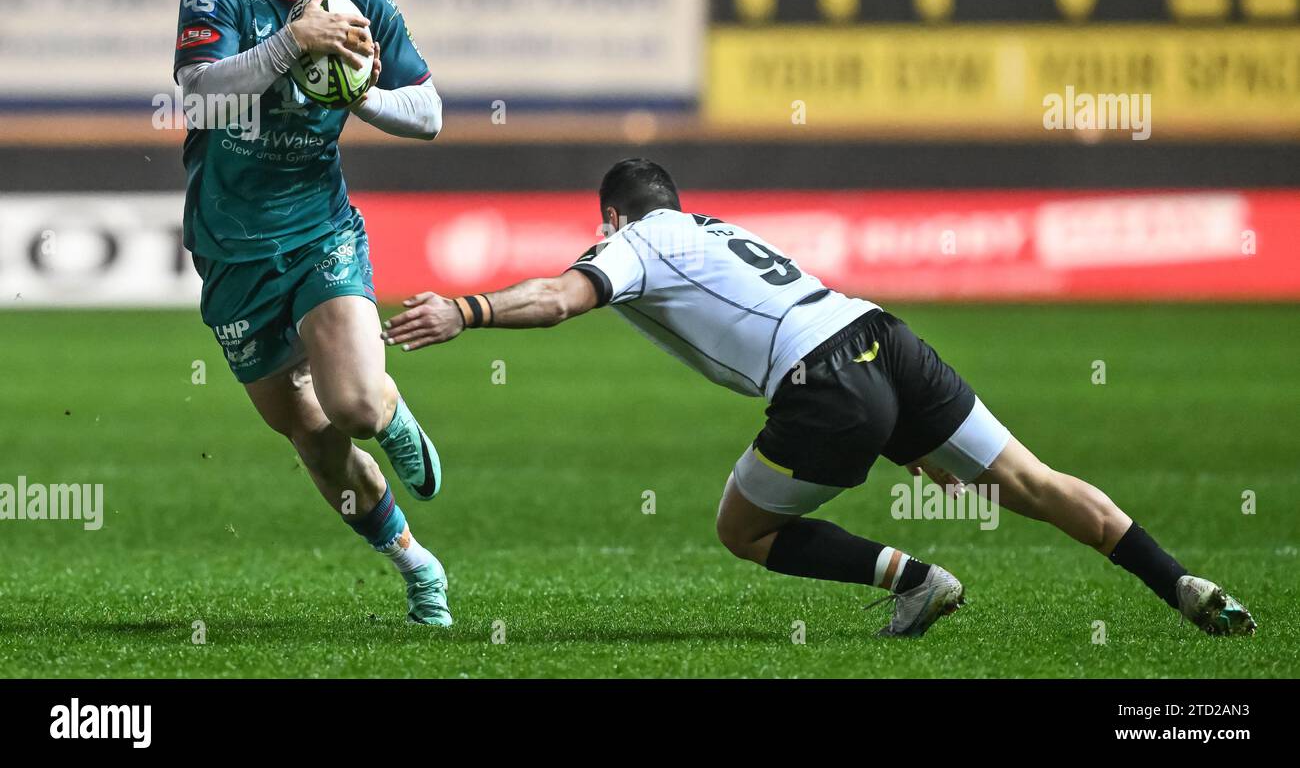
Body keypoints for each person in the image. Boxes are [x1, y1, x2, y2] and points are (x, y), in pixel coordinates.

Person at [382, 158, 1255, 638]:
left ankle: (916, 579)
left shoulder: (638, 241)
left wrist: (468, 309)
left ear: (610, 217)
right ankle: (1183, 585)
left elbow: (561, 298)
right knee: (1032, 481)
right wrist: (909, 436)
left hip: (824, 383)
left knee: (741, 529)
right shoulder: (722, 230)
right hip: (886, 341)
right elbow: (819, 323)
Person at [173, 0, 450, 625]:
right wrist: (294, 45)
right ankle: (416, 564)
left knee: (356, 405)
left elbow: (428, 114)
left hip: (321, 230)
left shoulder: (361, 0)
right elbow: (198, 94)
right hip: (230, 248)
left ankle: (393, 420)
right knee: (315, 437)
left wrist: (362, 94)